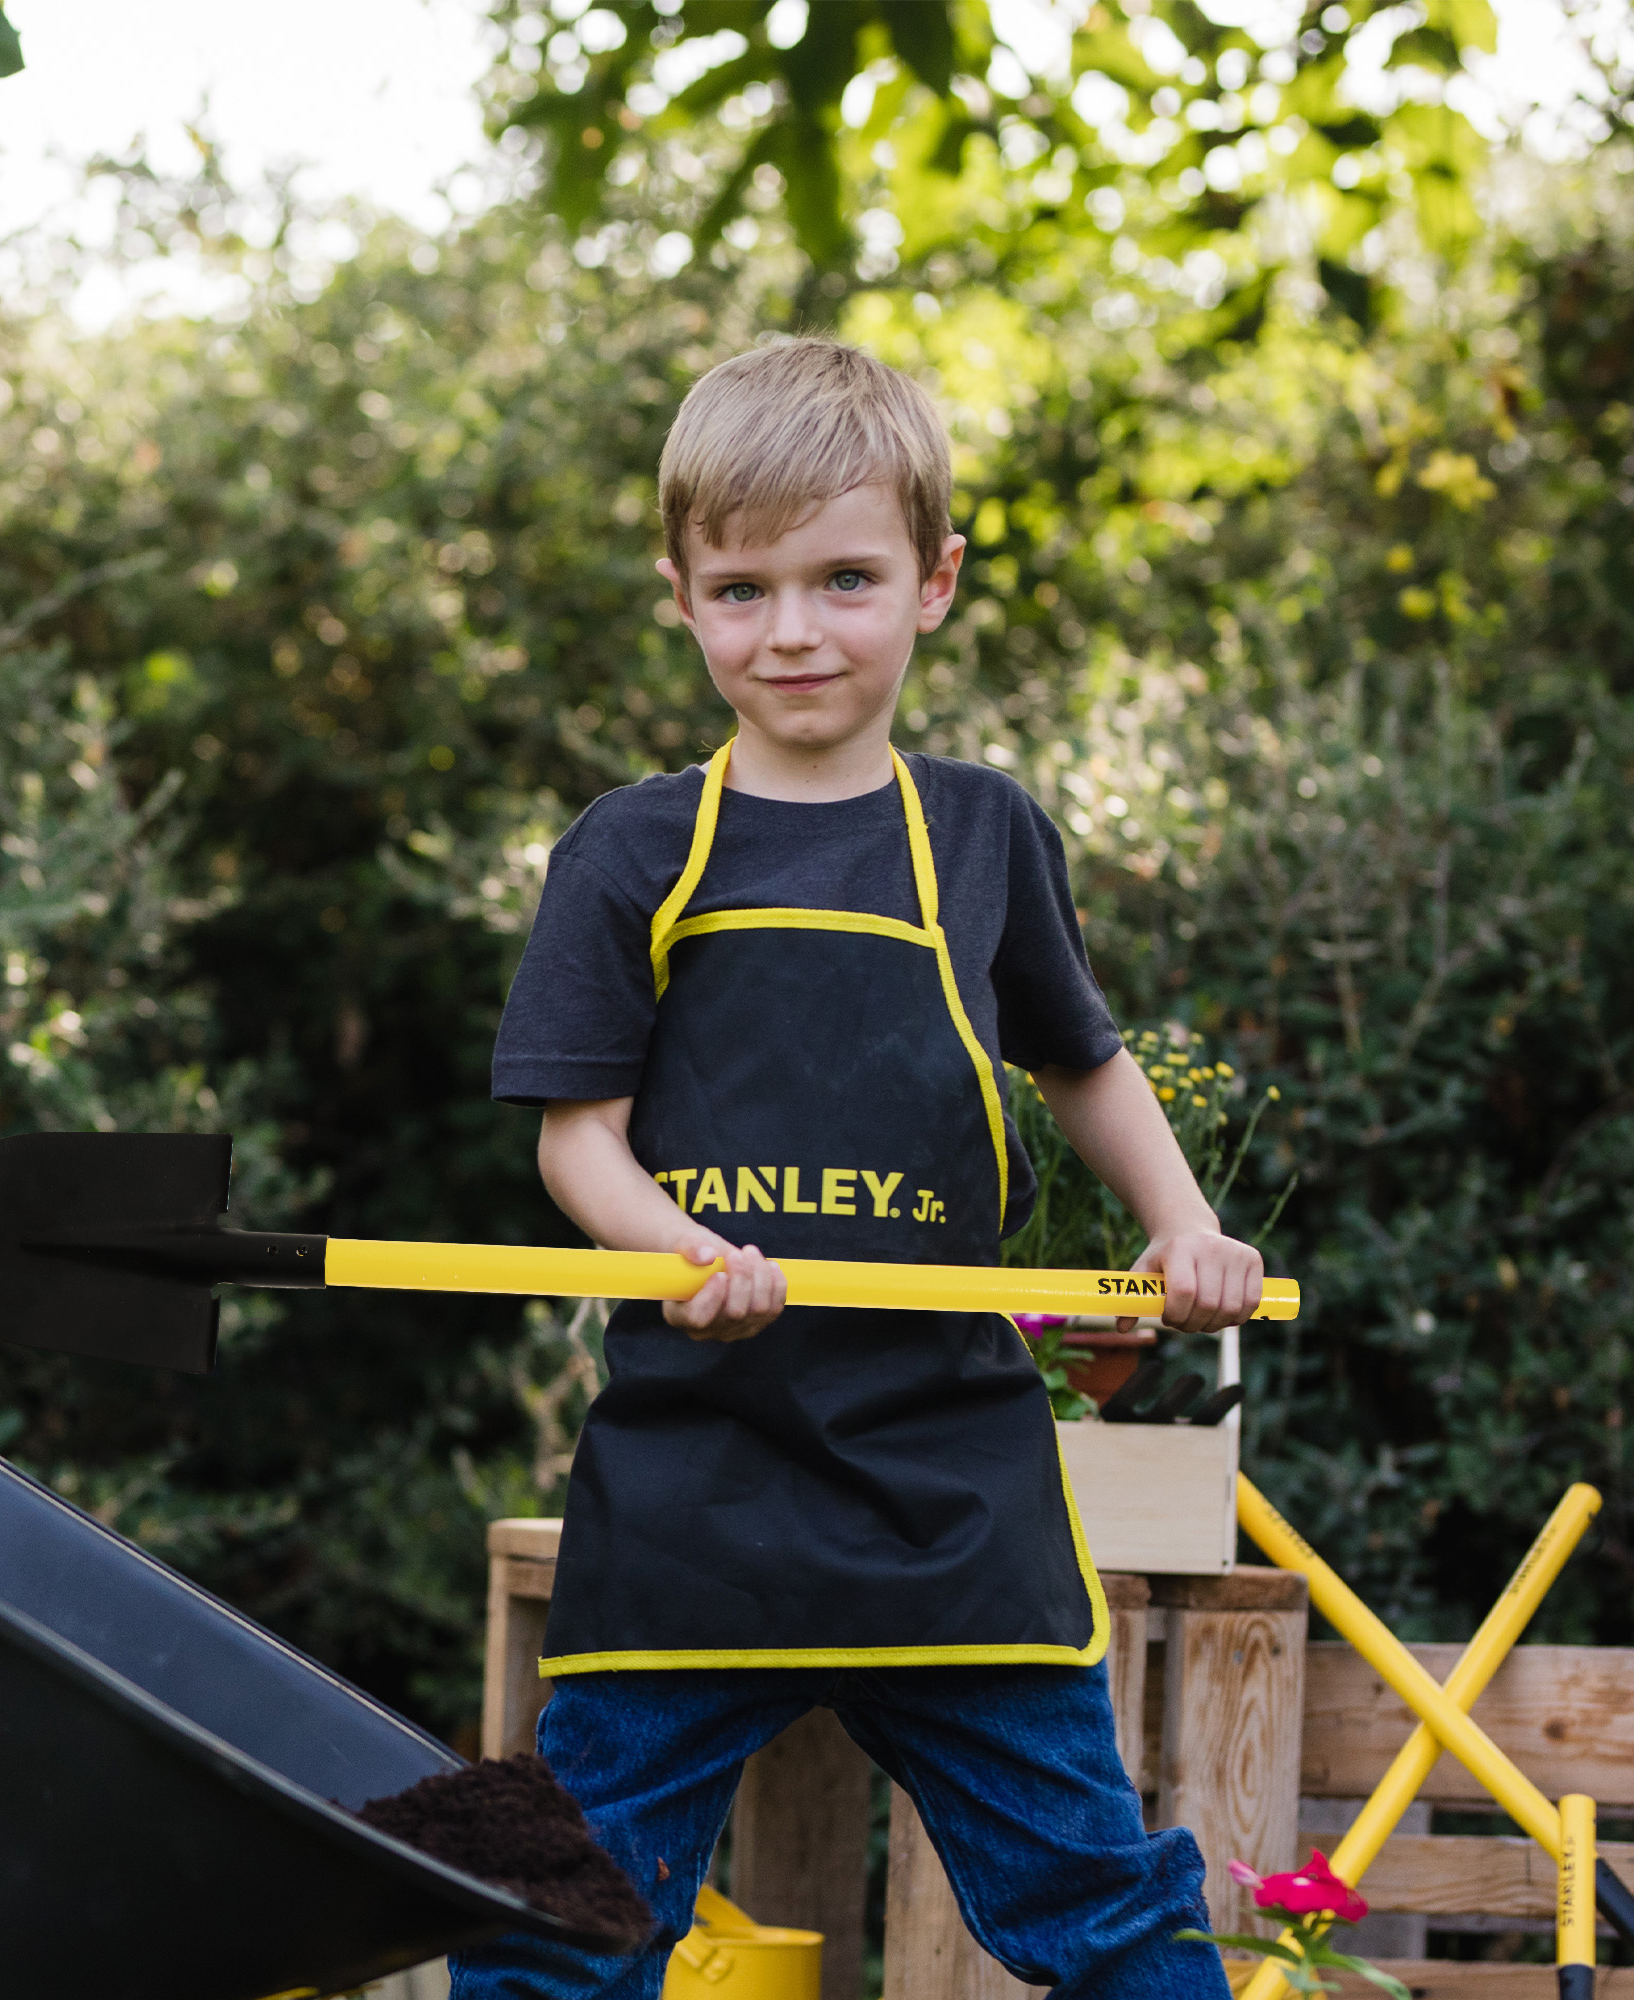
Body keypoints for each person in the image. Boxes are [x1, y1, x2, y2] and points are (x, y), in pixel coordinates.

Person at [456, 338, 1264, 2000]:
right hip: (696, 1488)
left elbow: (1085, 1064)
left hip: (946, 1494)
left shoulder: (985, 833)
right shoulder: (632, 849)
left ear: (935, 581)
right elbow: (574, 1141)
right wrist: (674, 1249)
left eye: (845, 579)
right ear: (680, 596)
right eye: (742, 589)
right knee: (561, 1931)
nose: (795, 630)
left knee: (1104, 1915)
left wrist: (1183, 1226)